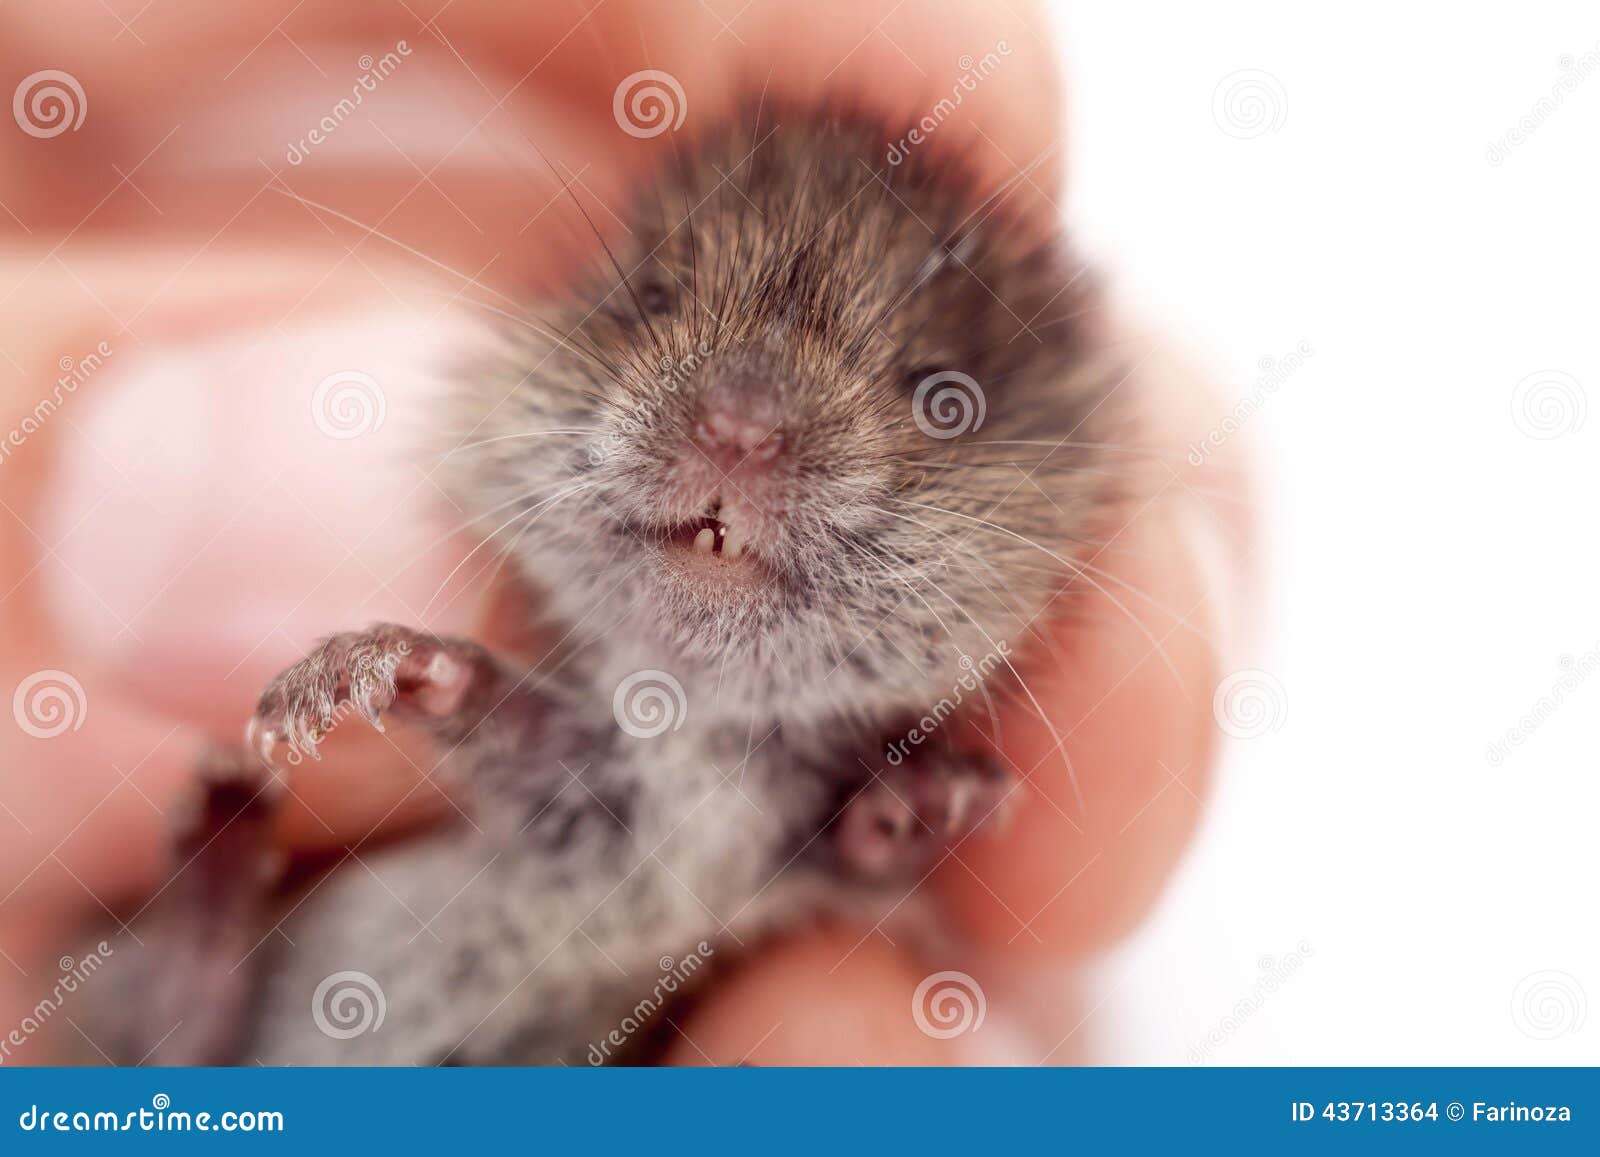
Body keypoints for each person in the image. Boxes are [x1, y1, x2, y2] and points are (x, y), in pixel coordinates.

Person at [0, 0, 1246, 1064]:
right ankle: (186, 1008)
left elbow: (655, 834)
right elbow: (571, 789)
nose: (743, 422)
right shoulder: (511, 644)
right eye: (662, 305)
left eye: (924, 393)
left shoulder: (864, 778)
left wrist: (878, 827)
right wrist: (438, 681)